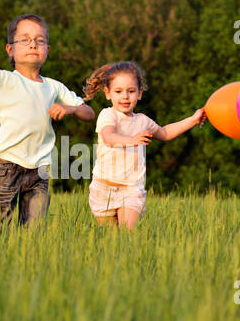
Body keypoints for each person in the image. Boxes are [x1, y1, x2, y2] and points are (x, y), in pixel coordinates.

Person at [0, 14, 93, 225]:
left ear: (47, 50)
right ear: (10, 49)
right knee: (5, 225)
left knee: (35, 228)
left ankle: (29, 257)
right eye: (25, 40)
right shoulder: (5, 79)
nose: (33, 45)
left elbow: (88, 113)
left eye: (40, 41)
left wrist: (70, 109)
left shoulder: (54, 86)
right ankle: (4, 257)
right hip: (6, 165)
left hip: (40, 168)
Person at [82, 61, 205, 230]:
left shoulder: (142, 121)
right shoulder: (108, 115)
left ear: (139, 93)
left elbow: (166, 133)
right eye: (118, 91)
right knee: (109, 240)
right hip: (103, 188)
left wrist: (193, 120)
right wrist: (131, 140)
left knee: (128, 232)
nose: (125, 96)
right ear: (108, 93)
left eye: (131, 91)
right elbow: (108, 136)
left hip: (131, 188)